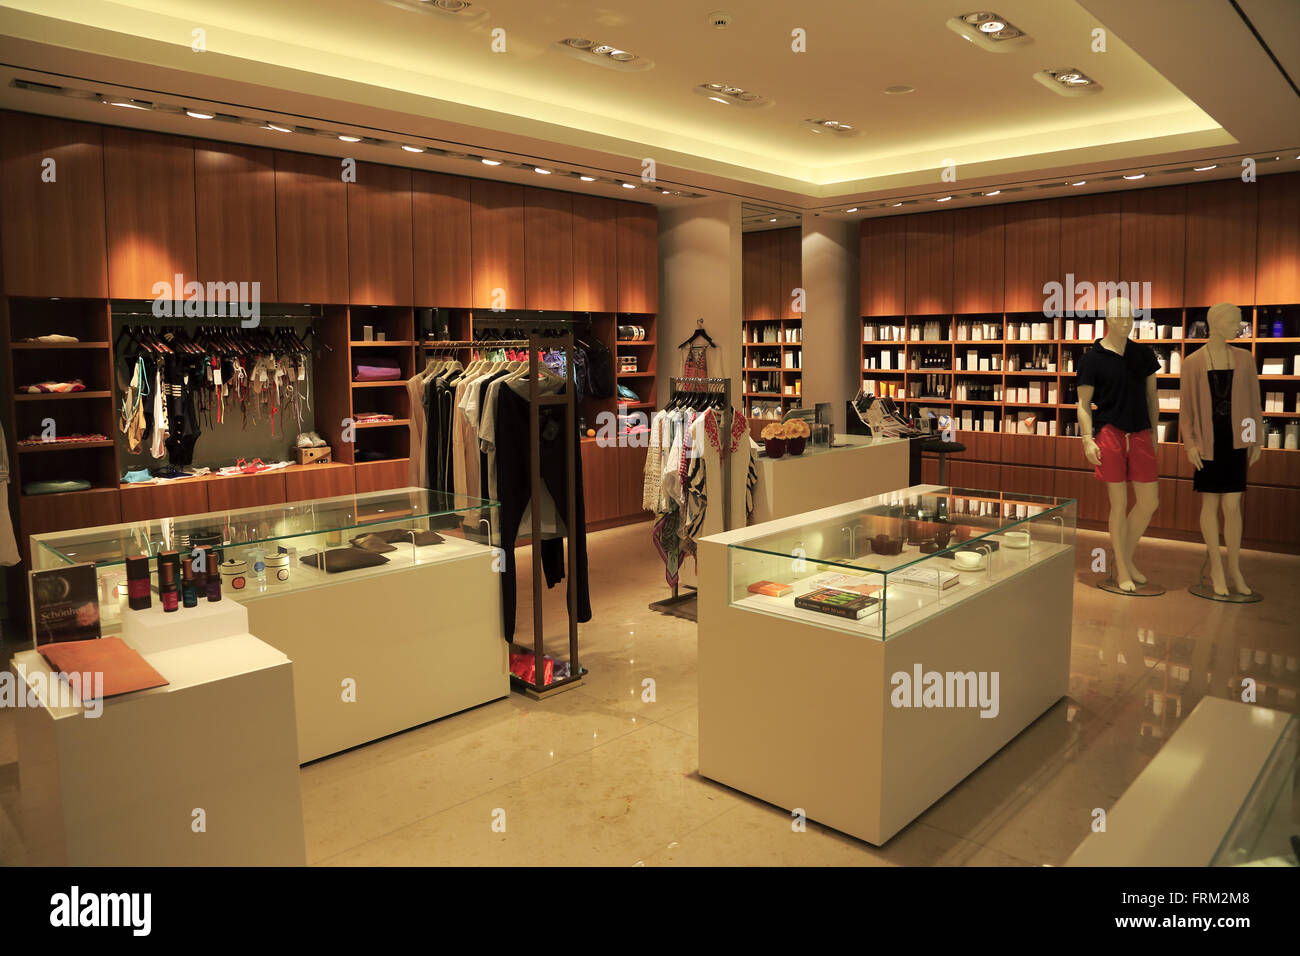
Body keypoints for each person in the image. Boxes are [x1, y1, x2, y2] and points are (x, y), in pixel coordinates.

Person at [1179, 302, 1264, 596]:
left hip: (1236, 442)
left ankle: (1235, 569)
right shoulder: (1192, 362)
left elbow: (1254, 402)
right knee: (1211, 504)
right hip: (1208, 442)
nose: (1239, 326)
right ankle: (1216, 567)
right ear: (1216, 323)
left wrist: (1256, 439)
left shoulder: (1245, 359)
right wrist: (1190, 444)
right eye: (1235, 321)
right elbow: (1186, 409)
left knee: (1232, 505)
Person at [1076, 297, 1161, 593]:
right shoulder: (1092, 359)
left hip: (1140, 433)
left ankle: (1122, 556)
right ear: (1108, 319)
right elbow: (1083, 405)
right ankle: (1123, 567)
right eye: (1120, 317)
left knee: (1150, 502)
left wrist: (1154, 434)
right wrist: (1087, 440)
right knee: (1120, 504)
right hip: (1109, 433)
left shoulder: (1143, 354)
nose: (1126, 323)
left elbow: (1152, 397)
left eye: (1130, 317)